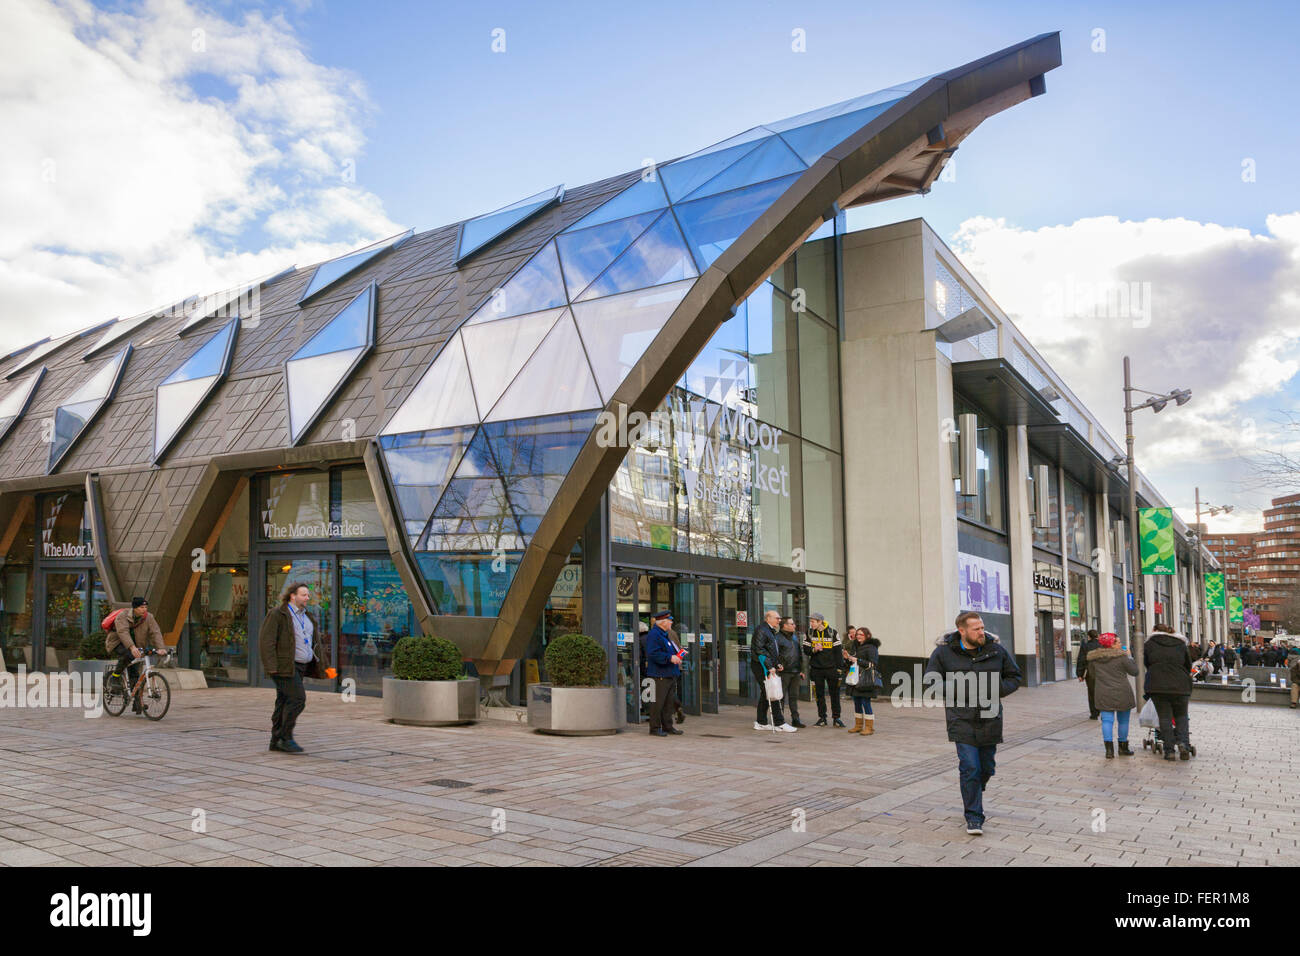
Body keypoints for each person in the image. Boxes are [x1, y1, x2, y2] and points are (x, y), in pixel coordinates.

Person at [925, 611, 1022, 836]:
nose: (982, 632)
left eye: (982, 627)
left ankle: (977, 786)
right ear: (962, 631)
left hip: (991, 718)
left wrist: (995, 690)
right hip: (961, 719)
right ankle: (974, 817)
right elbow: (931, 682)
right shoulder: (943, 653)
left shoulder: (996, 650)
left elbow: (1014, 677)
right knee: (970, 768)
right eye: (976, 629)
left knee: (986, 768)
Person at [259, 581, 331, 753]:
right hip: (284, 666)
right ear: (293, 595)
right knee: (298, 699)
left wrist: (324, 665)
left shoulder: (307, 616)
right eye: (304, 594)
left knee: (284, 701)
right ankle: (285, 737)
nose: (307, 597)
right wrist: (271, 666)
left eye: (308, 595)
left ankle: (276, 740)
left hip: (301, 666)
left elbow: (315, 643)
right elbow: (266, 642)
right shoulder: (278, 614)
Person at [106, 596, 168, 715]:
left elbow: (155, 632)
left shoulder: (149, 617)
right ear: (134, 608)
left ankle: (136, 702)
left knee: (135, 672)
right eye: (141, 607)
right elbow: (122, 632)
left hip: (136, 646)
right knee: (128, 655)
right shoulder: (122, 616)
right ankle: (115, 676)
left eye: (145, 607)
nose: (144, 609)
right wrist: (132, 647)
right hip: (117, 643)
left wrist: (161, 648)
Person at [1144, 622, 1194, 761]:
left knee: (1165, 718)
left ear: (1154, 630)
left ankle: (1169, 750)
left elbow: (1147, 663)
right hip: (1181, 685)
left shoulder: (1149, 644)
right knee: (1182, 716)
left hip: (1157, 685)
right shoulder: (1180, 644)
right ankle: (1183, 743)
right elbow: (1188, 665)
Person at [1085, 633, 1137, 758]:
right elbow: (1135, 671)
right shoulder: (1122, 657)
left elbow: (1092, 675)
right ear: (1111, 645)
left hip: (1103, 692)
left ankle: (1109, 751)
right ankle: (1123, 748)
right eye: (1118, 642)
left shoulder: (1094, 659)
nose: (1120, 644)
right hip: (1122, 692)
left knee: (1107, 721)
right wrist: (1129, 657)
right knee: (1123, 721)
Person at [751, 610, 795, 732]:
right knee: (772, 692)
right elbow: (760, 651)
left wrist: (777, 663)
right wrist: (770, 666)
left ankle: (761, 722)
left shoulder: (770, 630)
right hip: (760, 665)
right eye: (777, 618)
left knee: (766, 693)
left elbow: (771, 651)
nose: (779, 620)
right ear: (768, 618)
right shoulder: (762, 630)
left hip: (767, 665)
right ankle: (779, 722)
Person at [643, 610, 684, 737]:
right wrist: (670, 658)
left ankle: (668, 726)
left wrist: (677, 656)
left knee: (668, 703)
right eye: (669, 620)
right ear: (663, 622)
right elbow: (653, 653)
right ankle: (654, 728)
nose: (671, 622)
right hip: (659, 674)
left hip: (669, 673)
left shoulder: (664, 634)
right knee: (658, 703)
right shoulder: (654, 635)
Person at [801, 612, 844, 727]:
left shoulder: (832, 632)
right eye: (810, 621)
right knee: (819, 695)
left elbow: (838, 652)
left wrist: (839, 669)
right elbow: (805, 650)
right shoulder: (809, 633)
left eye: (813, 621)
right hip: (816, 669)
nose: (811, 624)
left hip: (831, 669)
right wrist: (814, 649)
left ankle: (837, 718)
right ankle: (822, 718)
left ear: (820, 622)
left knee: (834, 694)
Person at [843, 627, 881, 735]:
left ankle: (869, 727)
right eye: (857, 634)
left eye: (861, 634)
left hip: (866, 679)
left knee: (865, 702)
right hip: (855, 679)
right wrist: (848, 658)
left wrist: (857, 660)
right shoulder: (855, 646)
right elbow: (852, 662)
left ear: (867, 636)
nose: (858, 636)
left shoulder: (871, 647)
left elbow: (873, 664)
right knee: (857, 702)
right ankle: (858, 725)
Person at [777, 616, 806, 728]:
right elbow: (775, 655)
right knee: (781, 697)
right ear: (785, 626)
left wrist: (801, 670)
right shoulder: (777, 638)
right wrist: (779, 666)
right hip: (784, 672)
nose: (794, 625)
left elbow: (799, 654)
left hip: (796, 672)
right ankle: (780, 720)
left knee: (794, 697)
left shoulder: (794, 637)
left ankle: (796, 719)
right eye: (792, 624)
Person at [1076, 628, 1102, 719]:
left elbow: (1081, 660)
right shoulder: (1102, 646)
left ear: (1089, 637)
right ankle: (1102, 710)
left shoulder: (1086, 646)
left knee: (1091, 693)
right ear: (1097, 636)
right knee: (1101, 691)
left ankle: (1094, 713)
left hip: (1090, 673)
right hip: (1102, 672)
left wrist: (1080, 674)